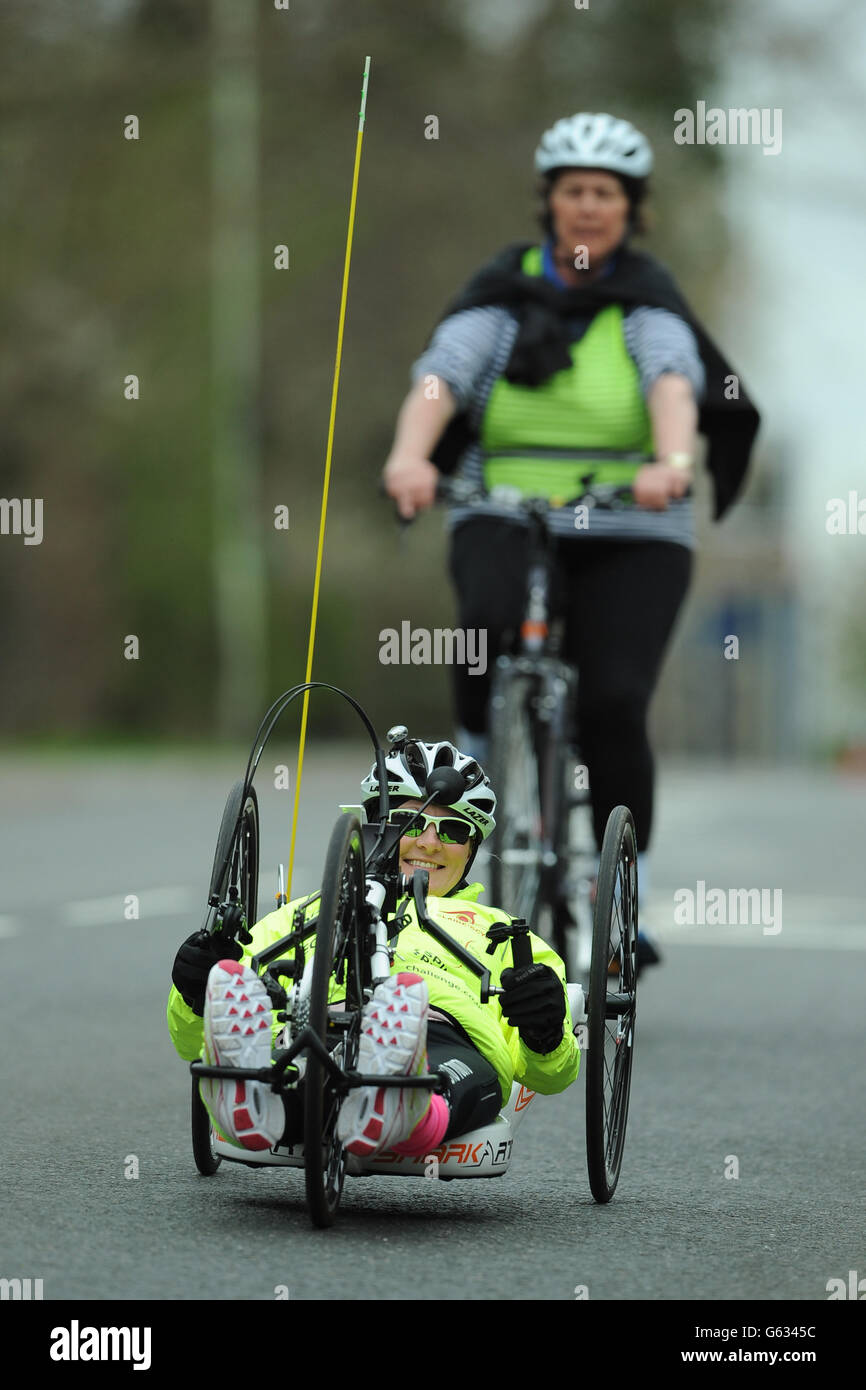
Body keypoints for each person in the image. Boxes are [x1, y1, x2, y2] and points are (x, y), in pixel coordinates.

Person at [382, 112, 760, 964]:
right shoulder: (502, 294)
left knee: (615, 702)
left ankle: (623, 902)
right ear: (548, 202)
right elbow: (441, 377)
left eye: (606, 193)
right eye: (573, 191)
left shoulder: (646, 301)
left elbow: (672, 382)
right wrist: (410, 455)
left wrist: (670, 459)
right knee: (484, 624)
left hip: (634, 519)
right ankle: (474, 793)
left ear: (632, 208)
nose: (588, 207)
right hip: (502, 501)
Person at [167, 737, 580, 1157]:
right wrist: (194, 991)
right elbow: (188, 1040)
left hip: (445, 1037)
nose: (429, 843)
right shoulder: (307, 911)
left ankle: (403, 1104)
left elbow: (551, 1074)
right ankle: (256, 1102)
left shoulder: (505, 932)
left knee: (437, 1075)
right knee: (296, 1062)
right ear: (374, 825)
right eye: (410, 822)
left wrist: (543, 1032)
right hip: (315, 1024)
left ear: (472, 849)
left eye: (454, 830)